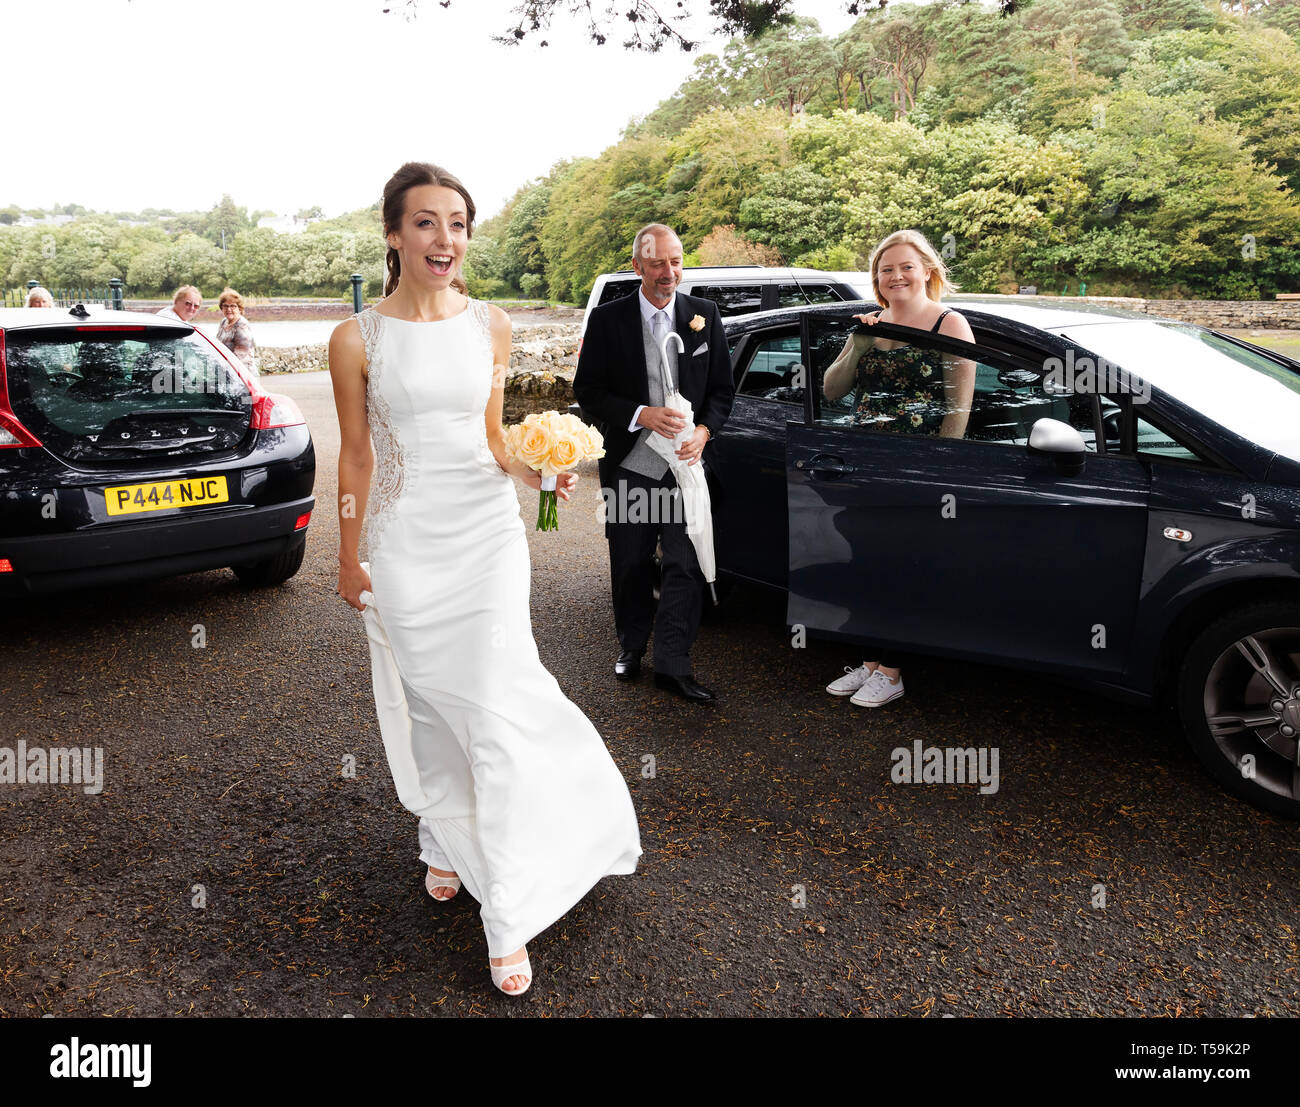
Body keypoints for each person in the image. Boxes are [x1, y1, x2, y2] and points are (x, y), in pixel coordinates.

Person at [329, 161, 641, 997]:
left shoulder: (492, 326)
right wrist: (348, 552)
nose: (446, 239)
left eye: (459, 222)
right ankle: (440, 838)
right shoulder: (356, 338)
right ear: (394, 233)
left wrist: (539, 474)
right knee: (430, 704)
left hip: (487, 536)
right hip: (402, 541)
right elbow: (358, 454)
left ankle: (506, 907)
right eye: (426, 222)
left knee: (499, 702)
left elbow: (493, 437)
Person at [572, 223, 734, 704]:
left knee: (684, 563)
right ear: (638, 265)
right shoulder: (608, 319)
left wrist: (704, 432)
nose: (669, 272)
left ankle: (673, 665)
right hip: (634, 462)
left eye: (677, 261)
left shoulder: (705, 315)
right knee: (630, 563)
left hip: (685, 464)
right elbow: (589, 391)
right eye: (658, 263)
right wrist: (640, 414)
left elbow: (723, 391)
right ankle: (631, 646)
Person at [821, 228, 976, 708]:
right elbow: (830, 391)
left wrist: (938, 475)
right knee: (862, 564)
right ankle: (869, 662)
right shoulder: (869, 324)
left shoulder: (949, 324)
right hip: (863, 463)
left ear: (928, 270)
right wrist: (859, 345)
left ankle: (892, 670)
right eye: (886, 269)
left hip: (915, 467)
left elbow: (959, 409)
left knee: (901, 569)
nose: (896, 276)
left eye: (906, 266)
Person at [215, 287, 256, 372]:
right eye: (225, 306)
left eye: (233, 306)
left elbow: (241, 359)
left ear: (239, 308)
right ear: (221, 308)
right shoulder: (224, 322)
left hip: (243, 374)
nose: (228, 309)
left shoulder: (241, 326)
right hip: (227, 370)